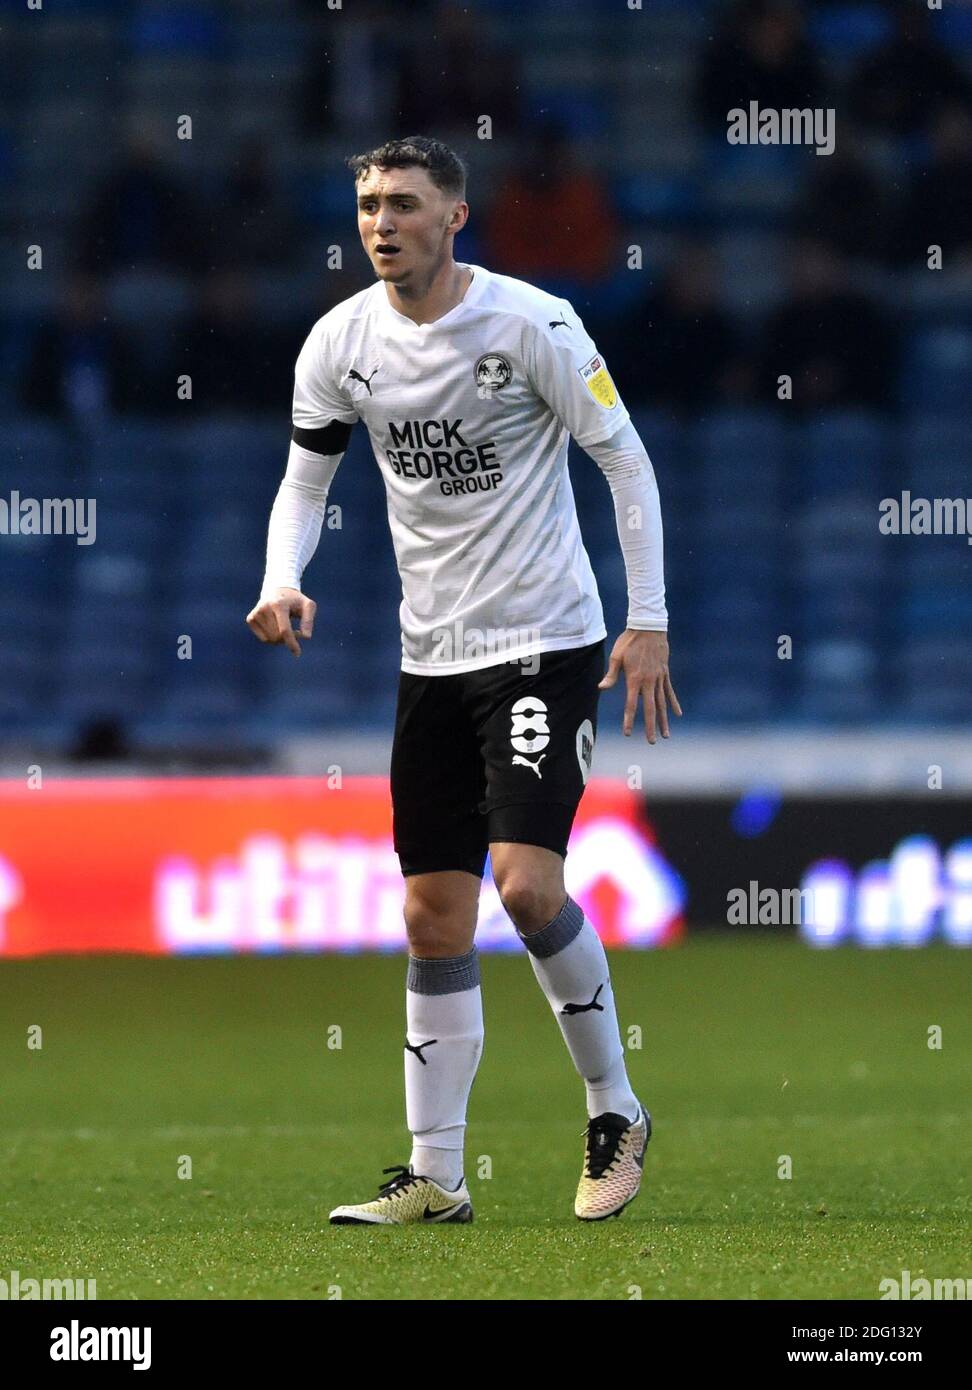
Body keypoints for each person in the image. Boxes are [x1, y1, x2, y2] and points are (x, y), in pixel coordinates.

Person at [246, 136, 680, 1225]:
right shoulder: (339, 342)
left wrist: (649, 621)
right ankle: (435, 1173)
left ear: (455, 216)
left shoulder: (532, 324)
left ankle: (614, 1108)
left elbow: (623, 457)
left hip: (544, 638)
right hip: (430, 653)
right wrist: (279, 576)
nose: (380, 223)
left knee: (527, 888)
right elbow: (306, 480)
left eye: (402, 203)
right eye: (366, 206)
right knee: (434, 913)